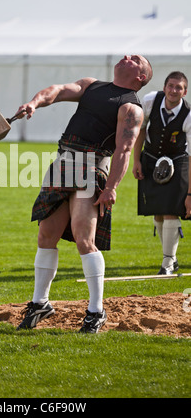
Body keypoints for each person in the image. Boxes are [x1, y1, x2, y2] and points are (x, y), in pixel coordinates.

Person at [15, 54, 153, 333]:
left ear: (141, 76)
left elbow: (124, 151)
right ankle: (40, 302)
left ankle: (96, 311)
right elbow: (58, 90)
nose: (126, 56)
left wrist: (111, 188)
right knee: (46, 235)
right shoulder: (92, 86)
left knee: (84, 238)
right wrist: (34, 103)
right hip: (63, 162)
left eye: (135, 59)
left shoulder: (131, 108)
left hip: (92, 168)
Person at [133, 71, 191, 275]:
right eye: (171, 86)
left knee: (170, 210)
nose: (174, 90)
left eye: (179, 87)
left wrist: (190, 194)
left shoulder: (189, 115)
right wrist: (136, 160)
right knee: (157, 211)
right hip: (150, 158)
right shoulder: (150, 100)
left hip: (178, 161)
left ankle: (167, 262)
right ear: (165, 87)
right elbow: (141, 129)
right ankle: (171, 257)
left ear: (185, 92)